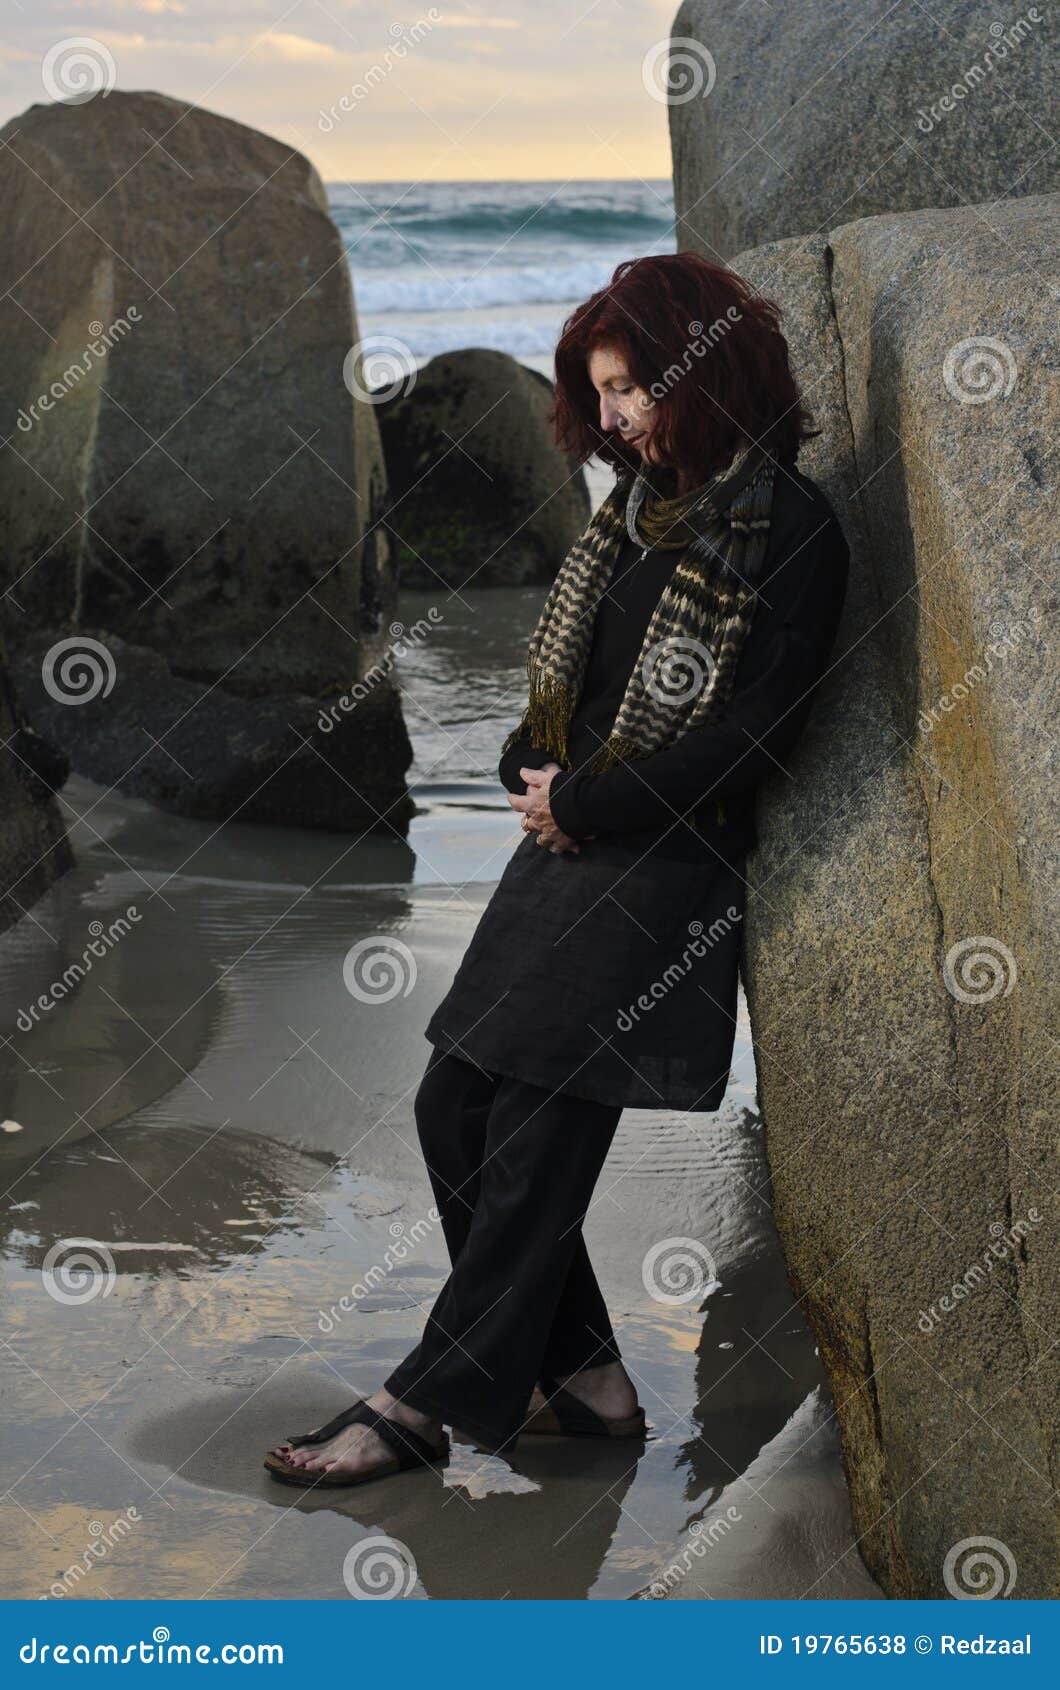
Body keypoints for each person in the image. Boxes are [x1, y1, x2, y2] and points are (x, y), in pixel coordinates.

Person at [265, 251, 850, 1489]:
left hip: (663, 875)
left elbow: (755, 735)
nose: (618, 417)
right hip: (568, 849)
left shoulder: (790, 530)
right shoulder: (629, 515)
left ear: (712, 369)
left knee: (531, 1132)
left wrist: (583, 798)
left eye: (635, 386)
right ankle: (581, 1373)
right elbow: (572, 684)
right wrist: (532, 767)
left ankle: (425, 1399)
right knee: (452, 1109)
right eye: (603, 393)